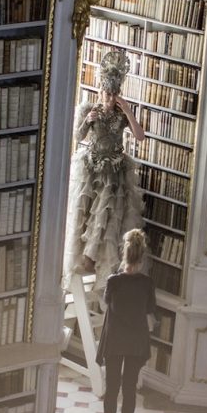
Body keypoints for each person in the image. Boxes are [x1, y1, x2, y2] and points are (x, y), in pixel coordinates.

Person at [63, 50, 145, 286]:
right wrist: (87, 120)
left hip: (114, 173)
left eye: (114, 95)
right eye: (106, 93)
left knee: (107, 217)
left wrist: (128, 110)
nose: (109, 98)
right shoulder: (90, 110)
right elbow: (77, 137)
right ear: (100, 91)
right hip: (91, 169)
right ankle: (81, 258)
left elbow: (139, 136)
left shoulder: (121, 115)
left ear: (118, 94)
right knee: (85, 213)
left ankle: (95, 259)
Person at [96, 228, 157, 413]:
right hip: (136, 341)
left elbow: (106, 304)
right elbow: (150, 309)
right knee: (129, 389)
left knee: (111, 388)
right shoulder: (147, 283)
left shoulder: (113, 281)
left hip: (115, 340)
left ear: (124, 254)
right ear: (142, 257)